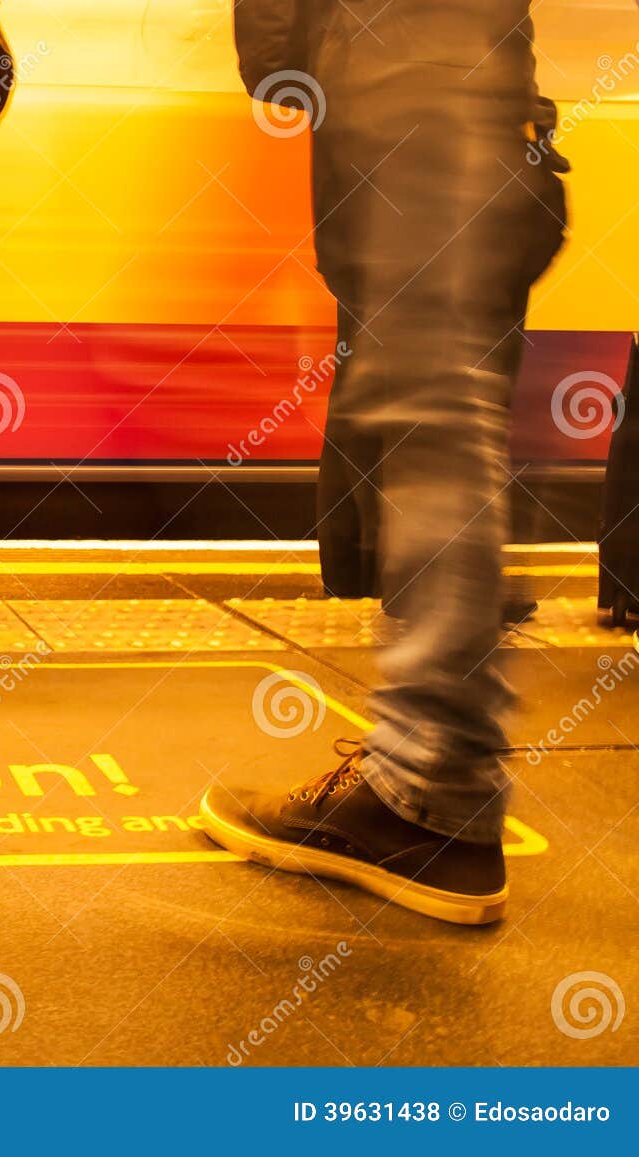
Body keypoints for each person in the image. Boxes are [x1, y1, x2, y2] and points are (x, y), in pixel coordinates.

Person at [201, 0, 568, 924]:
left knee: (431, 416)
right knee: (450, 406)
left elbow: (273, 42)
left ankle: (425, 797)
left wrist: (300, 69)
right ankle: (436, 779)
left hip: (409, 83)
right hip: (487, 89)